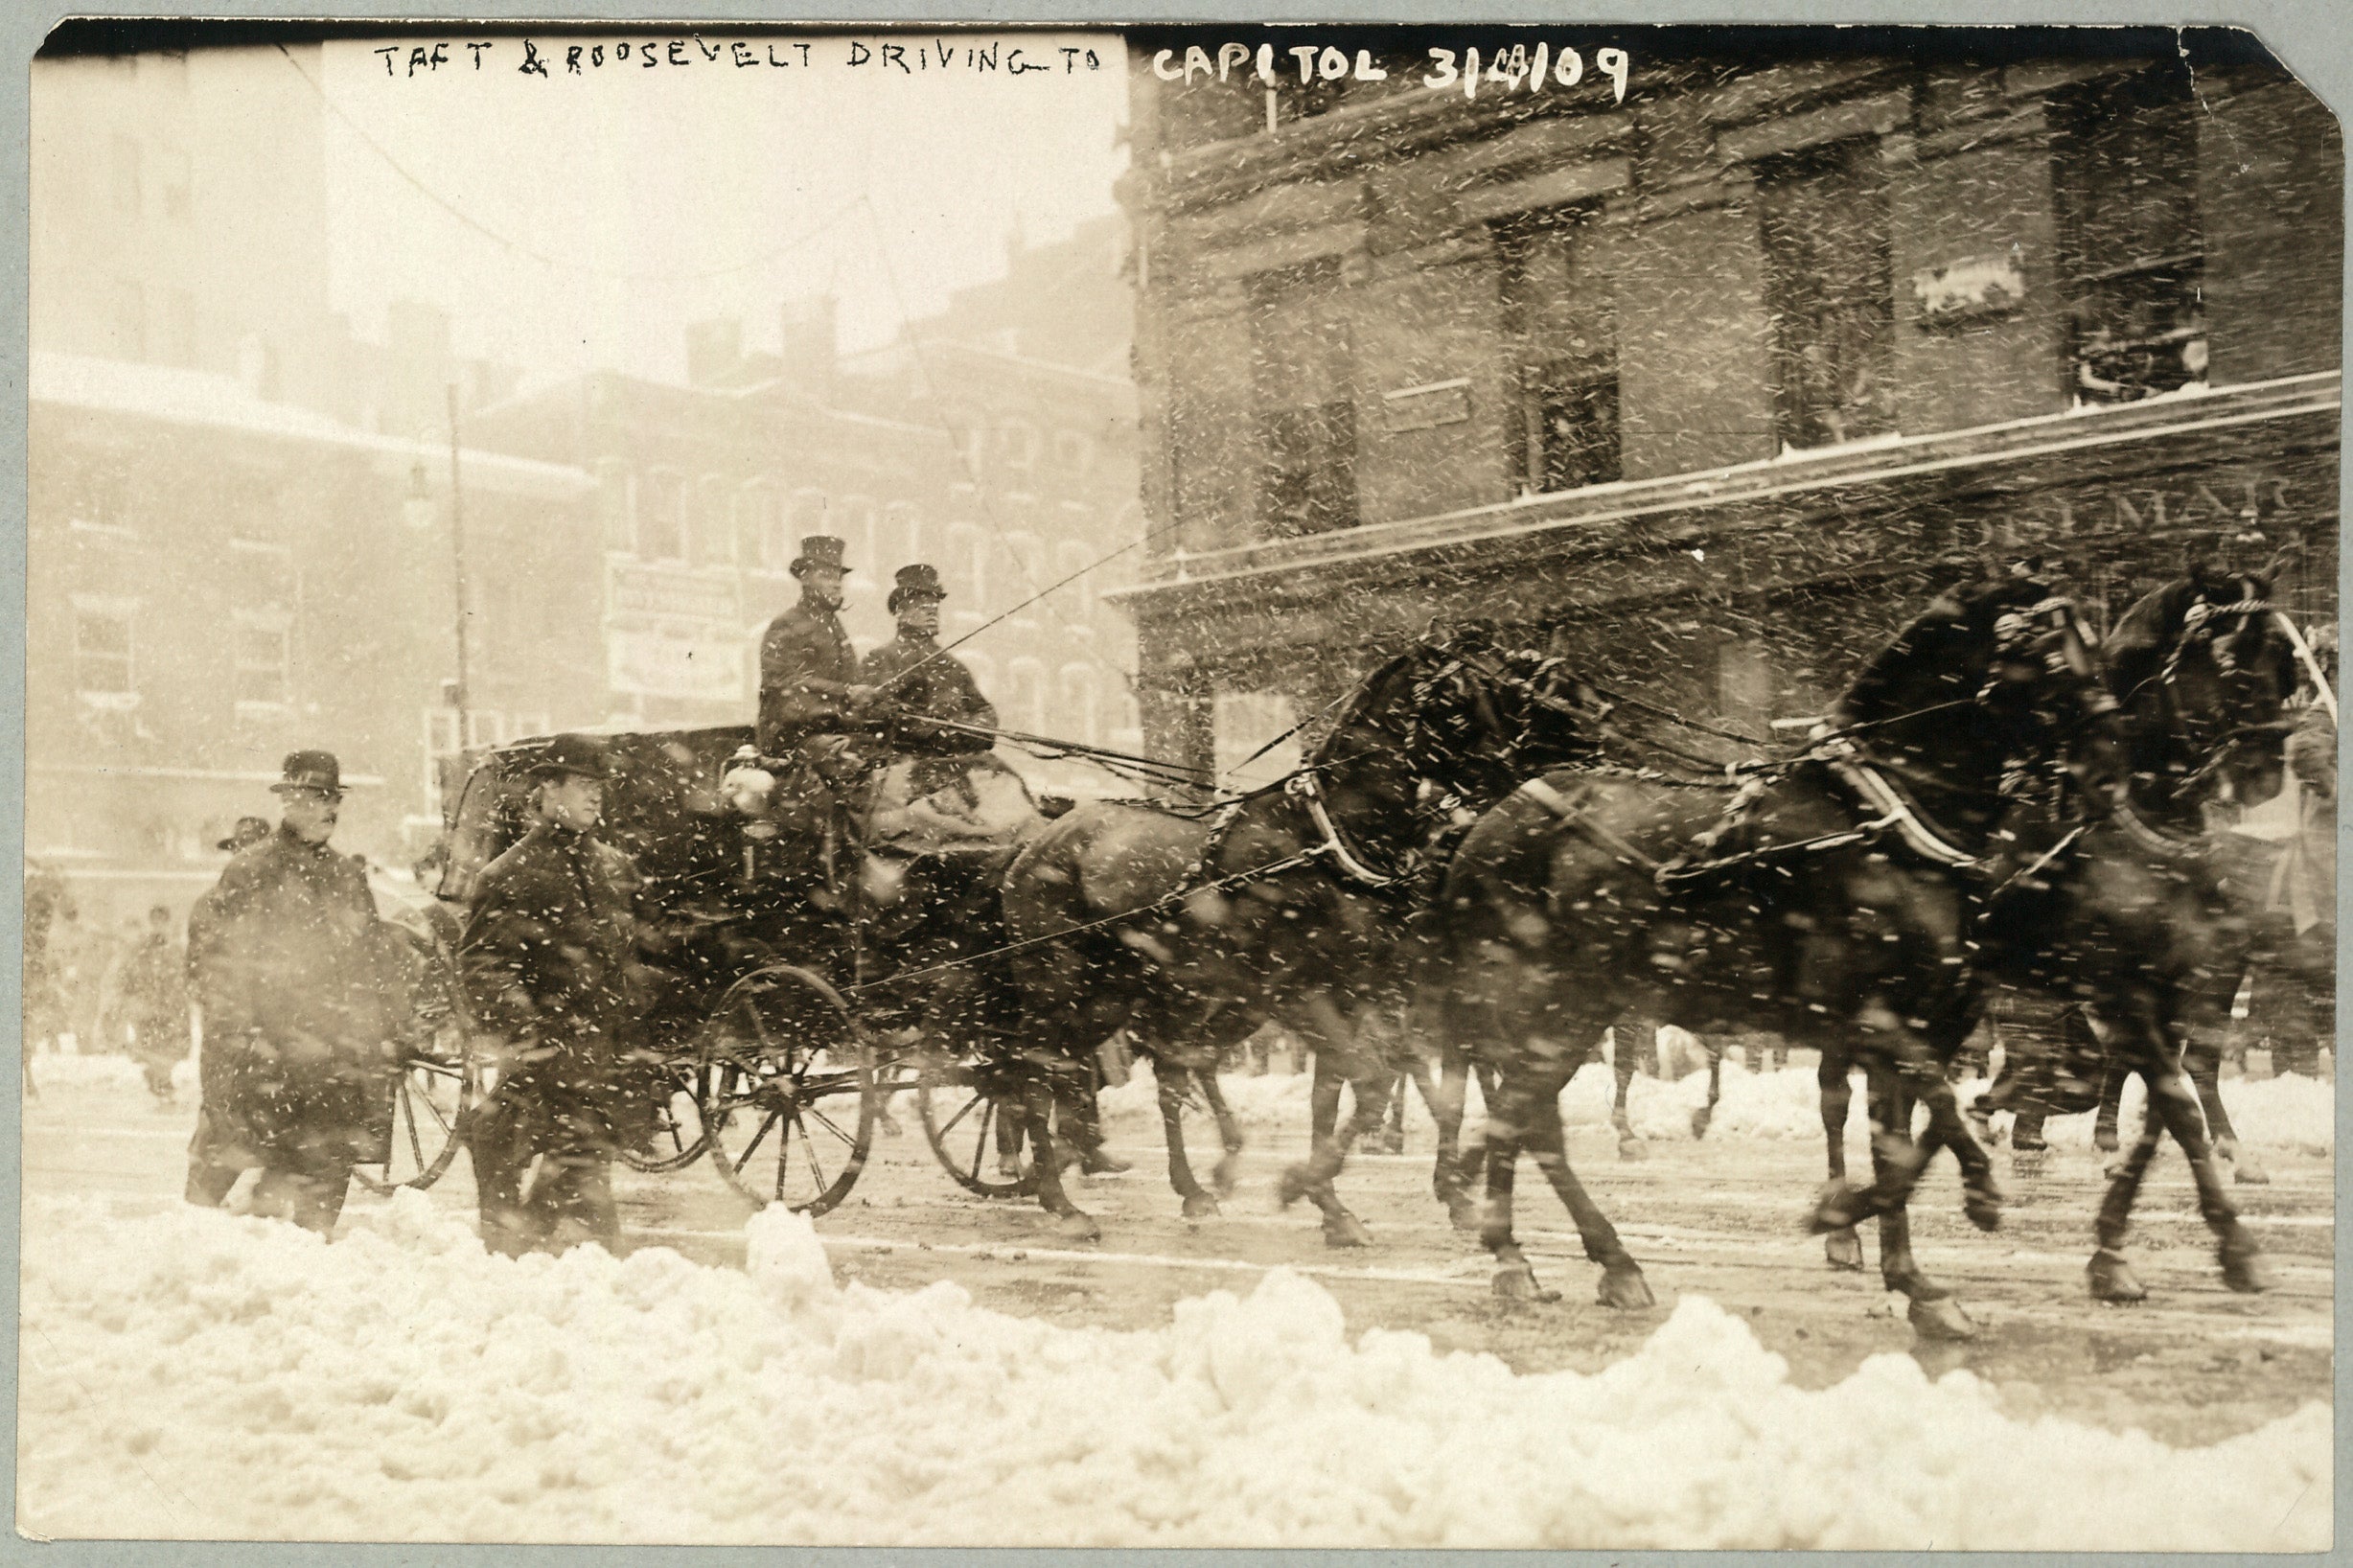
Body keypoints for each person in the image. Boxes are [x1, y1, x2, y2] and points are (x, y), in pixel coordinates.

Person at [184, 750, 399, 1233]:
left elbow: (370, 964)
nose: (331, 809)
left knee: (324, 1176)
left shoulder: (347, 876)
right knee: (221, 1164)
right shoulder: (250, 871)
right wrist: (240, 1039)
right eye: (319, 797)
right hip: (263, 1054)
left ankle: (309, 1255)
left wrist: (381, 1029)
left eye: (334, 798)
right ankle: (192, 1257)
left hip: (330, 1059)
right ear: (290, 800)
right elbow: (216, 966)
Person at [458, 734, 652, 1257]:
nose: (596, 798)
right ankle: (512, 1252)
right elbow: (483, 964)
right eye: (584, 785)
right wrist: (529, 1028)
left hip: (598, 1056)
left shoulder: (614, 867)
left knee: (580, 1174)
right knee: (506, 1143)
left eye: (600, 788)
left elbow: (635, 955)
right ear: (547, 790)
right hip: (545, 1053)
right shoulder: (508, 875)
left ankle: (534, 1249)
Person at [860, 564, 998, 756]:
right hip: (905, 758)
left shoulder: (951, 664)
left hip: (958, 757)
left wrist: (975, 729)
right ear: (901, 612)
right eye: (923, 606)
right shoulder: (881, 658)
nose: (932, 612)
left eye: (935, 607)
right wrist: (933, 733)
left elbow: (982, 708)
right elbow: (874, 710)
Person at [117, 905, 191, 1104]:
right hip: (150, 1006)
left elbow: (183, 973)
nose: (159, 925)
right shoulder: (141, 948)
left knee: (170, 1047)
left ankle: (160, 1080)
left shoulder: (175, 949)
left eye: (162, 921)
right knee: (154, 1046)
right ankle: (162, 1083)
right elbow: (128, 973)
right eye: (155, 921)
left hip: (171, 1006)